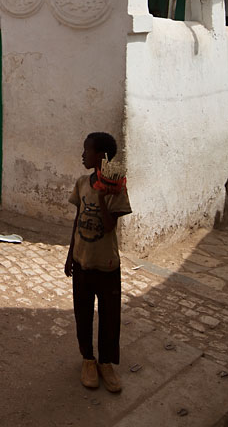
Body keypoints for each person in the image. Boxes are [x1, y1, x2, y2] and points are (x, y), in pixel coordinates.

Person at [64, 132, 132, 392]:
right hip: (83, 262)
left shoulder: (117, 188)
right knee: (83, 314)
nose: (83, 155)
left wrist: (103, 196)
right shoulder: (82, 183)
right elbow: (77, 219)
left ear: (101, 156)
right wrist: (70, 255)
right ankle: (88, 360)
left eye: (86, 150)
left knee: (109, 316)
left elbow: (109, 226)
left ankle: (106, 363)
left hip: (107, 265)